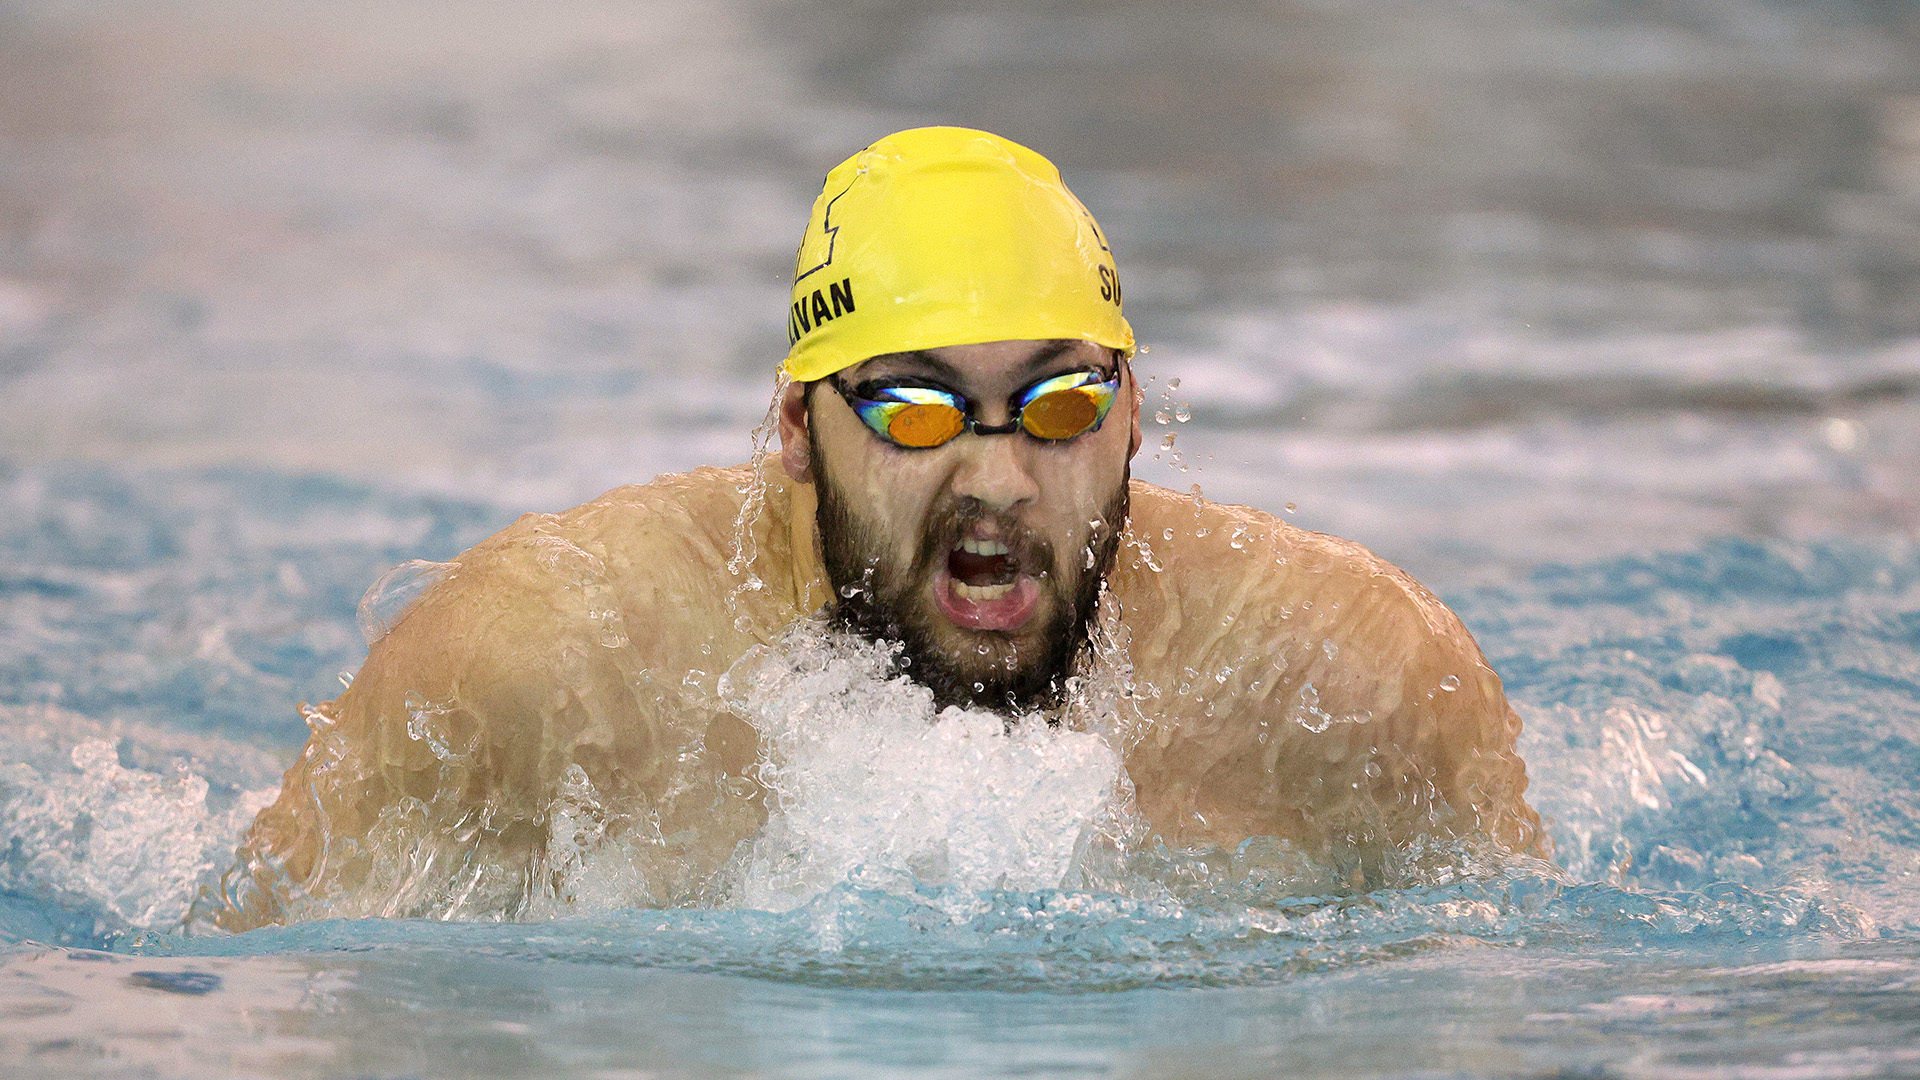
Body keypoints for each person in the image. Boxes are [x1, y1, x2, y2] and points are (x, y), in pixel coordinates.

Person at [214, 127, 1543, 930]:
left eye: (1061, 400)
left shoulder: (1355, 681)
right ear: (796, 429)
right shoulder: (540, 667)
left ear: (1136, 412)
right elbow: (269, 983)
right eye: (915, 410)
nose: (1003, 478)